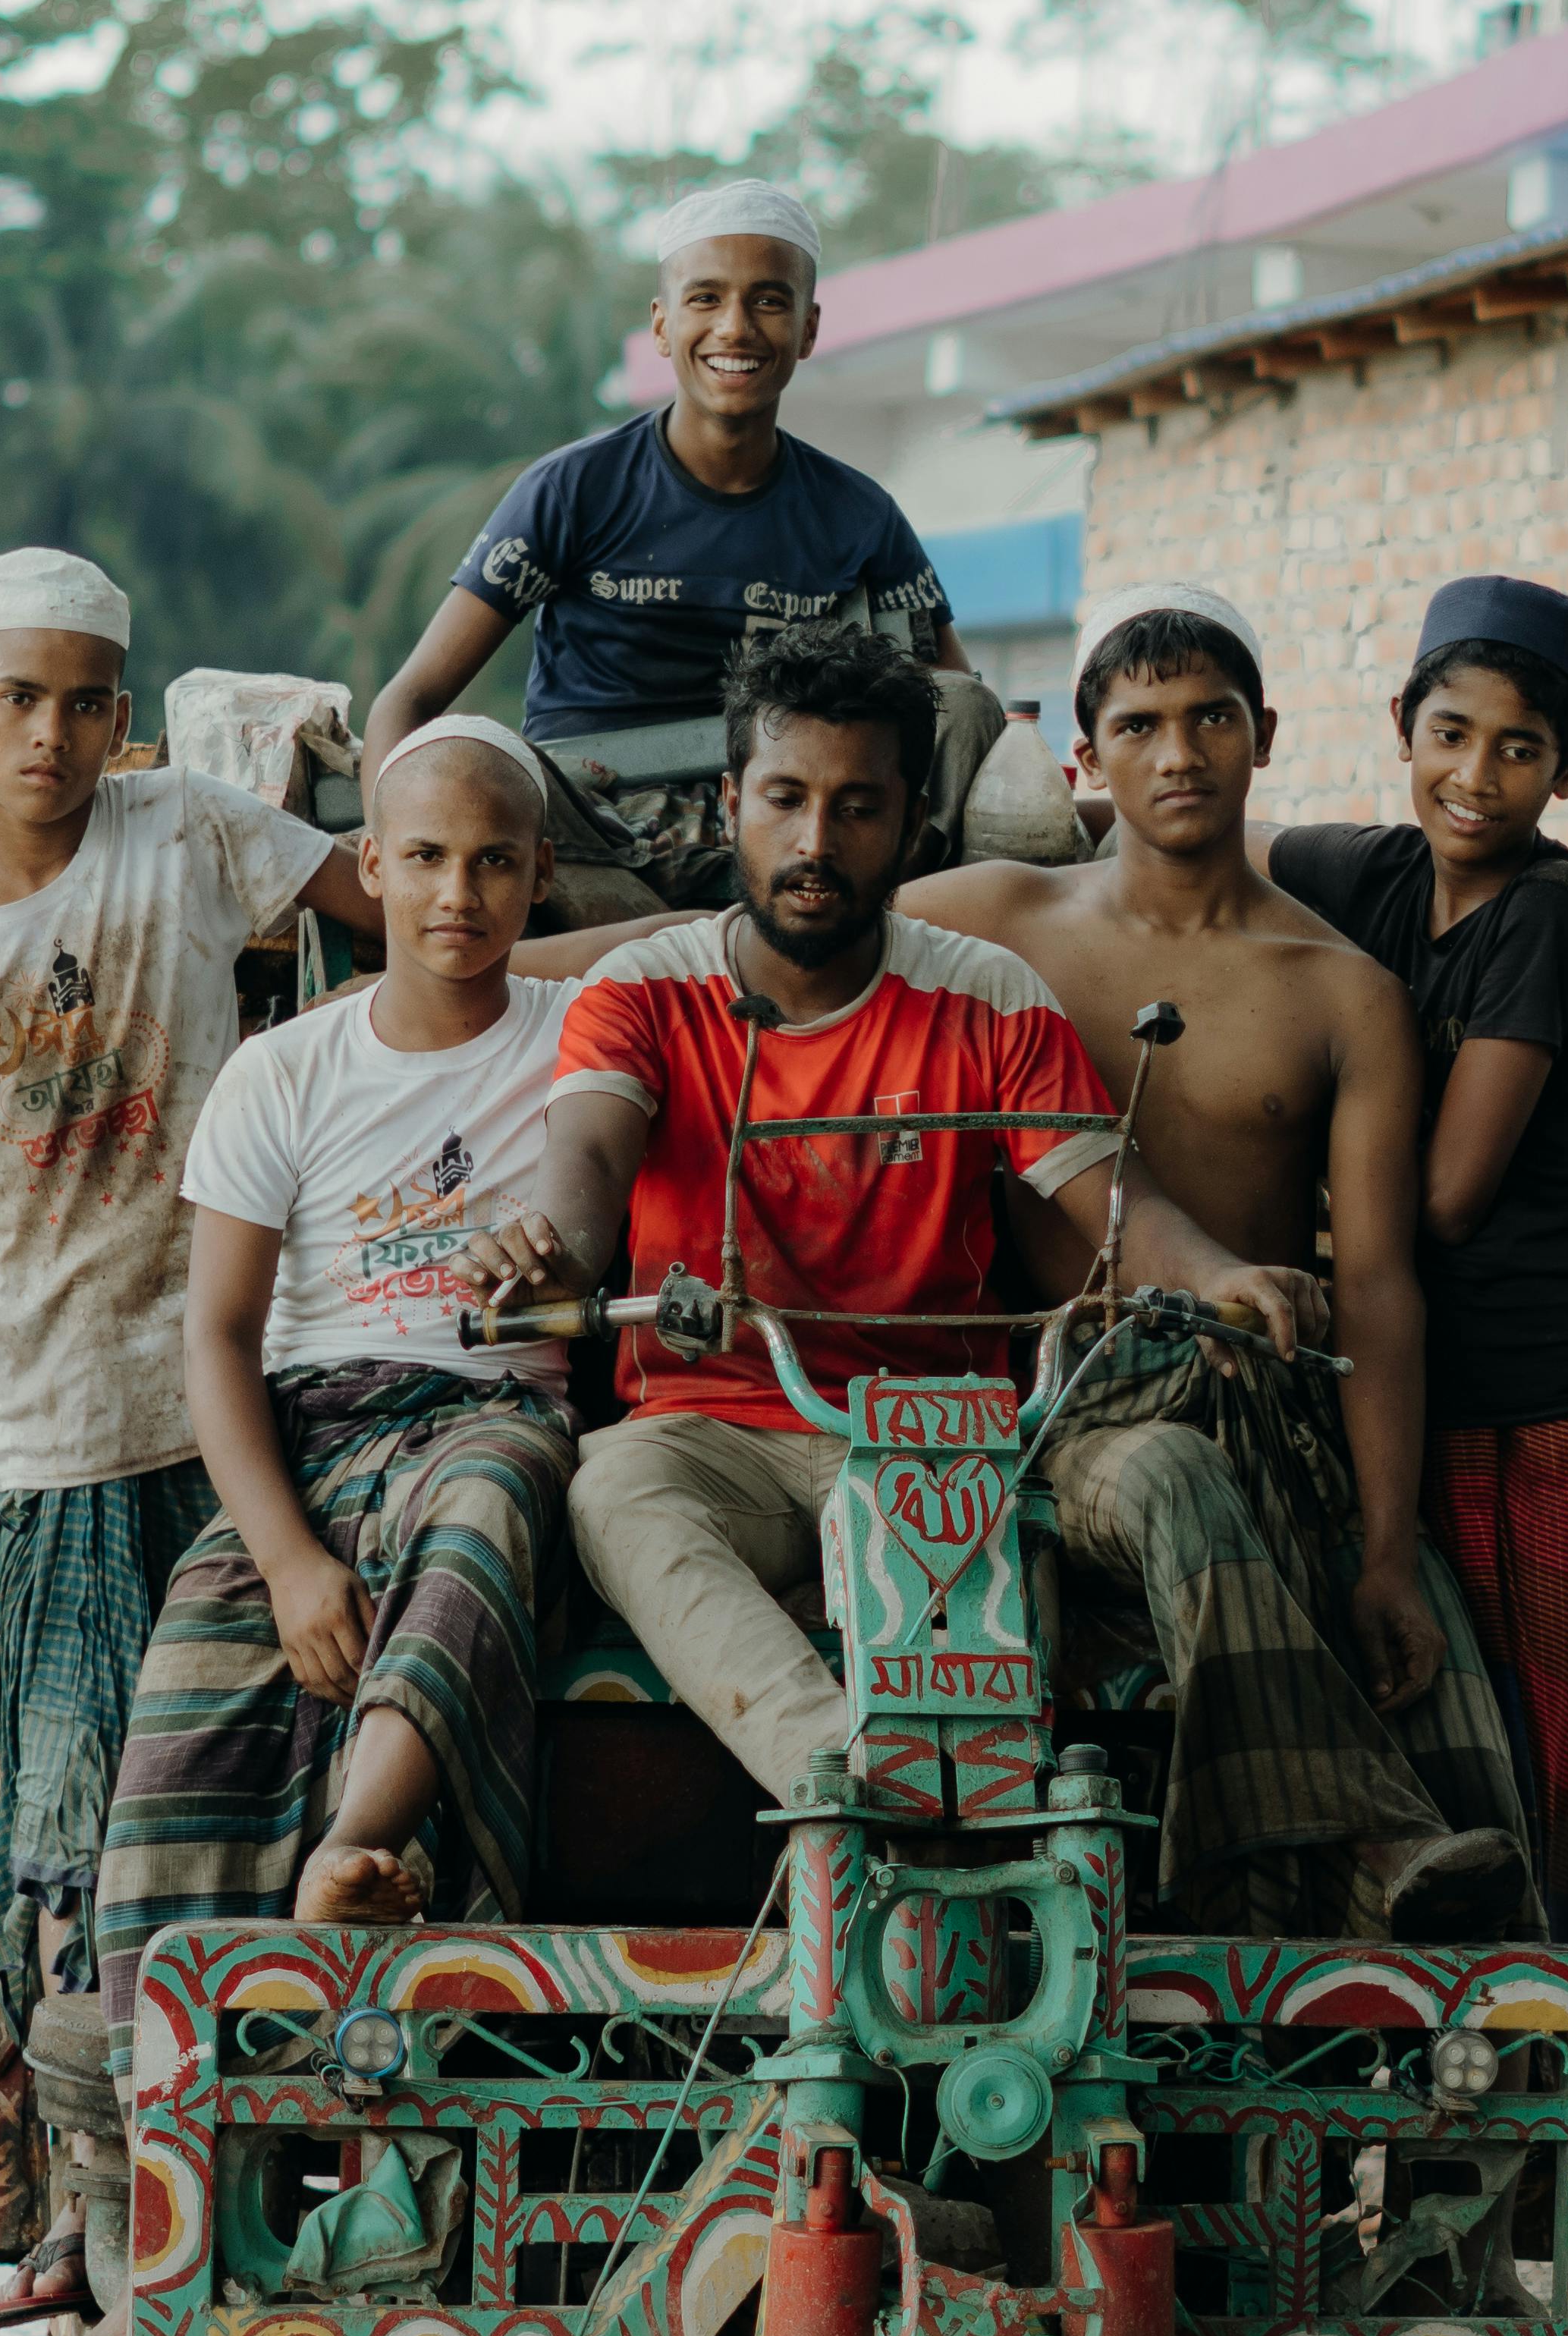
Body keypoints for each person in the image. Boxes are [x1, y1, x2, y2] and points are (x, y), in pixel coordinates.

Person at [457, 619, 1452, 1936]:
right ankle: (851, 1785)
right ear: (731, 803)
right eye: (786, 799)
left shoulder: (986, 994)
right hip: (719, 1428)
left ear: (912, 825)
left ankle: (1344, 1849)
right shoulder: (646, 991)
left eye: (858, 806)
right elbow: (586, 1161)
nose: (817, 841)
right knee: (612, 1490)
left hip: (955, 1433)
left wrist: (1226, 1276)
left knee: (1165, 1477)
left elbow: (1116, 1204)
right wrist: (546, 1246)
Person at [0, 549, 377, 2048]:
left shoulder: (186, 828)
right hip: (61, 1430)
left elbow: (394, 909)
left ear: (122, 723)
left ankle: (260, 2086)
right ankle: (92, 2138)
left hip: (243, 1398)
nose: (52, 732)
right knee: (72, 1822)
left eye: (87, 704)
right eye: (20, 699)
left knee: (262, 1781)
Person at [919, 579, 1532, 1924]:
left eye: (1211, 718)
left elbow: (1376, 1284)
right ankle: (1368, 1851)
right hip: (1071, 1412)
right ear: (1085, 760)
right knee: (1174, 1478)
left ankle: (1475, 1977)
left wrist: (1386, 1548)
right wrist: (500, 960)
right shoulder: (998, 918)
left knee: (1430, 1637)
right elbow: (755, 937)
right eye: (1138, 726)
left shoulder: (1343, 991)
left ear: (1265, 735)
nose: (1179, 754)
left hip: (1273, 1400)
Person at [90, 714, 582, 2103]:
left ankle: (354, 1854)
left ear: (540, 873)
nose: (457, 894)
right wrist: (290, 1562)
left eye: (494, 862)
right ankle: (164, 2127)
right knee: (187, 1728)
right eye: (423, 857)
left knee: (490, 1499)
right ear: (369, 864)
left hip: (487, 1408)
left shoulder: (583, 1044)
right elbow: (218, 1337)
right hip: (307, 1437)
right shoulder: (286, 1070)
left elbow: (727, 949)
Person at [1268, 575, 1568, 1943]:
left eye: (1519, 749)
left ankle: (1548, 2007)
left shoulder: (1548, 917)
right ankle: (1442, 2008)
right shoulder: (1373, 874)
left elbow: (1444, 1198)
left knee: (1548, 1736)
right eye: (1450, 734)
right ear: (1401, 722)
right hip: (1427, 1376)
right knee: (1443, 1707)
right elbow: (1193, 839)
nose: (1474, 776)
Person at [359, 179, 1003, 903]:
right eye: (705, 298)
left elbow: (954, 711)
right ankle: (750, 936)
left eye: (769, 300)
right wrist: (392, 867)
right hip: (594, 844)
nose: (735, 327)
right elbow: (410, 700)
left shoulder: (860, 515)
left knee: (968, 704)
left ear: (808, 328)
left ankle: (873, 913)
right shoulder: (570, 490)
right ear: (662, 326)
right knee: (487, 761)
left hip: (791, 843)